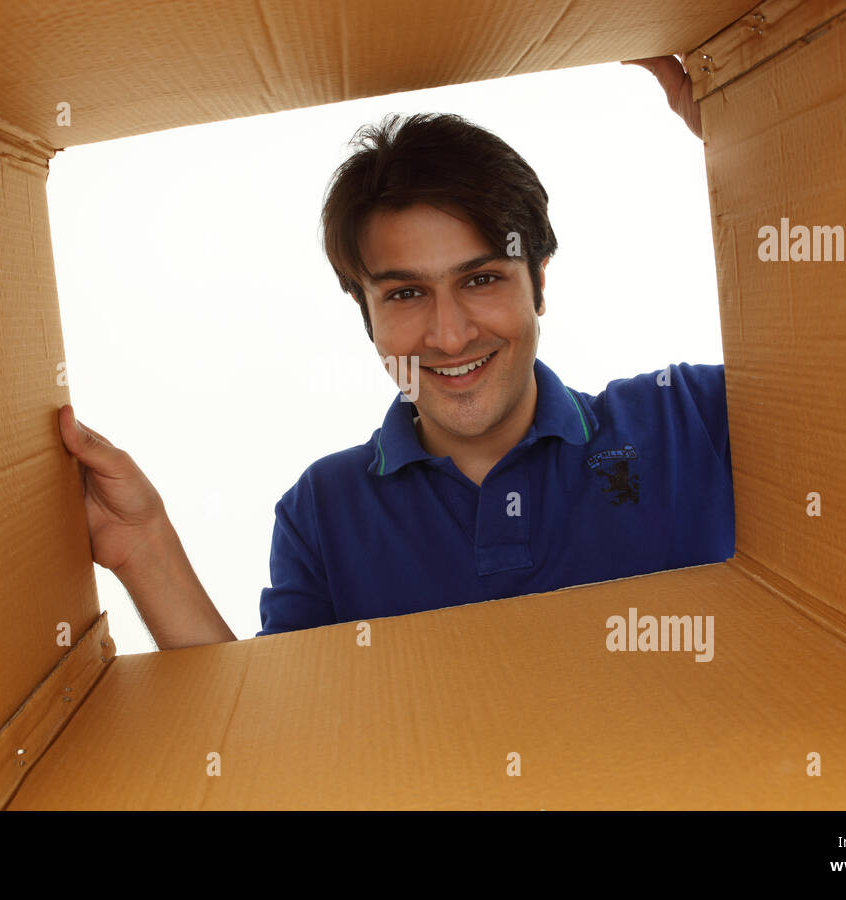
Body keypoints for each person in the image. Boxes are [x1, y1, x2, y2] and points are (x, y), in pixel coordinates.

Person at [58, 54, 729, 649]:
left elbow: (833, 355)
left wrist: (755, 126)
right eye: (406, 295)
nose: (448, 335)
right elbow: (270, 741)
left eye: (482, 279)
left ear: (539, 283)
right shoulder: (324, 511)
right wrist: (145, 551)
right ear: (366, 316)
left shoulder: (691, 419)